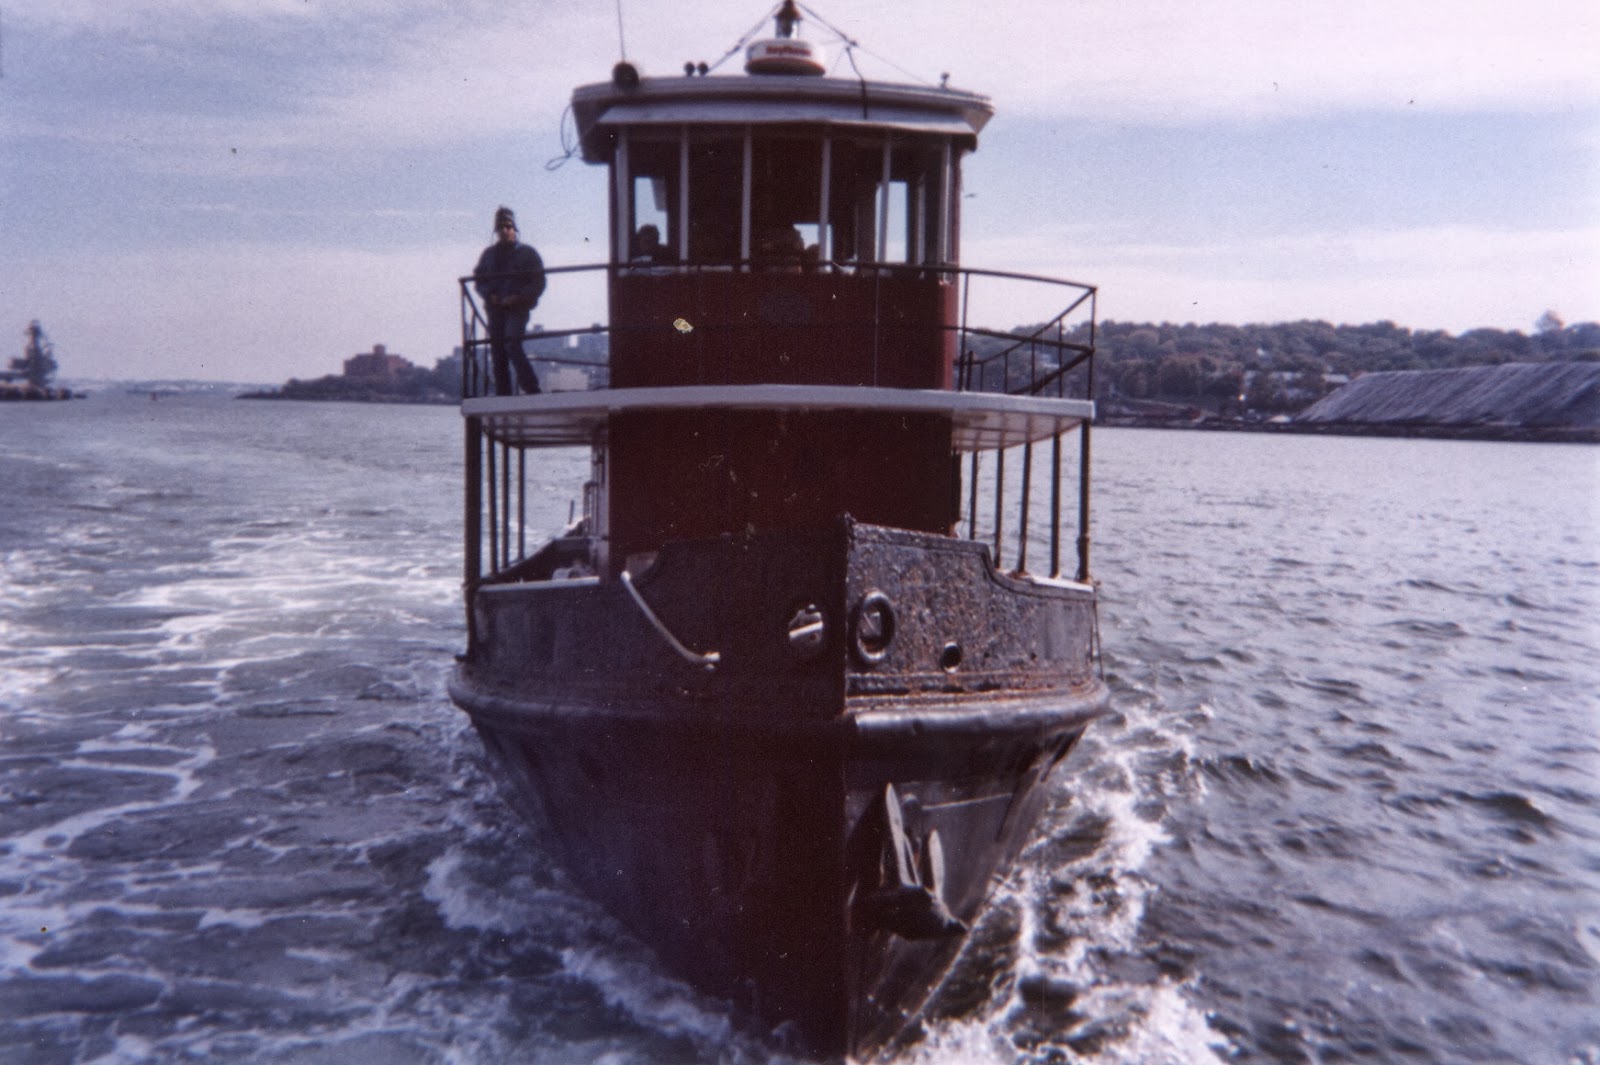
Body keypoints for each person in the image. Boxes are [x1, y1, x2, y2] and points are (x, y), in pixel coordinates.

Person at [473, 206, 546, 395]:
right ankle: (503, 393)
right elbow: (479, 280)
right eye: (501, 227)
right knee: (498, 352)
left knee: (512, 343)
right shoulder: (488, 255)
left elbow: (539, 281)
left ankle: (531, 389)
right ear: (496, 230)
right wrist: (490, 294)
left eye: (508, 226)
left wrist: (520, 297)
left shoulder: (528, 254)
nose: (505, 231)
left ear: (514, 228)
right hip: (495, 309)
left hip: (517, 309)